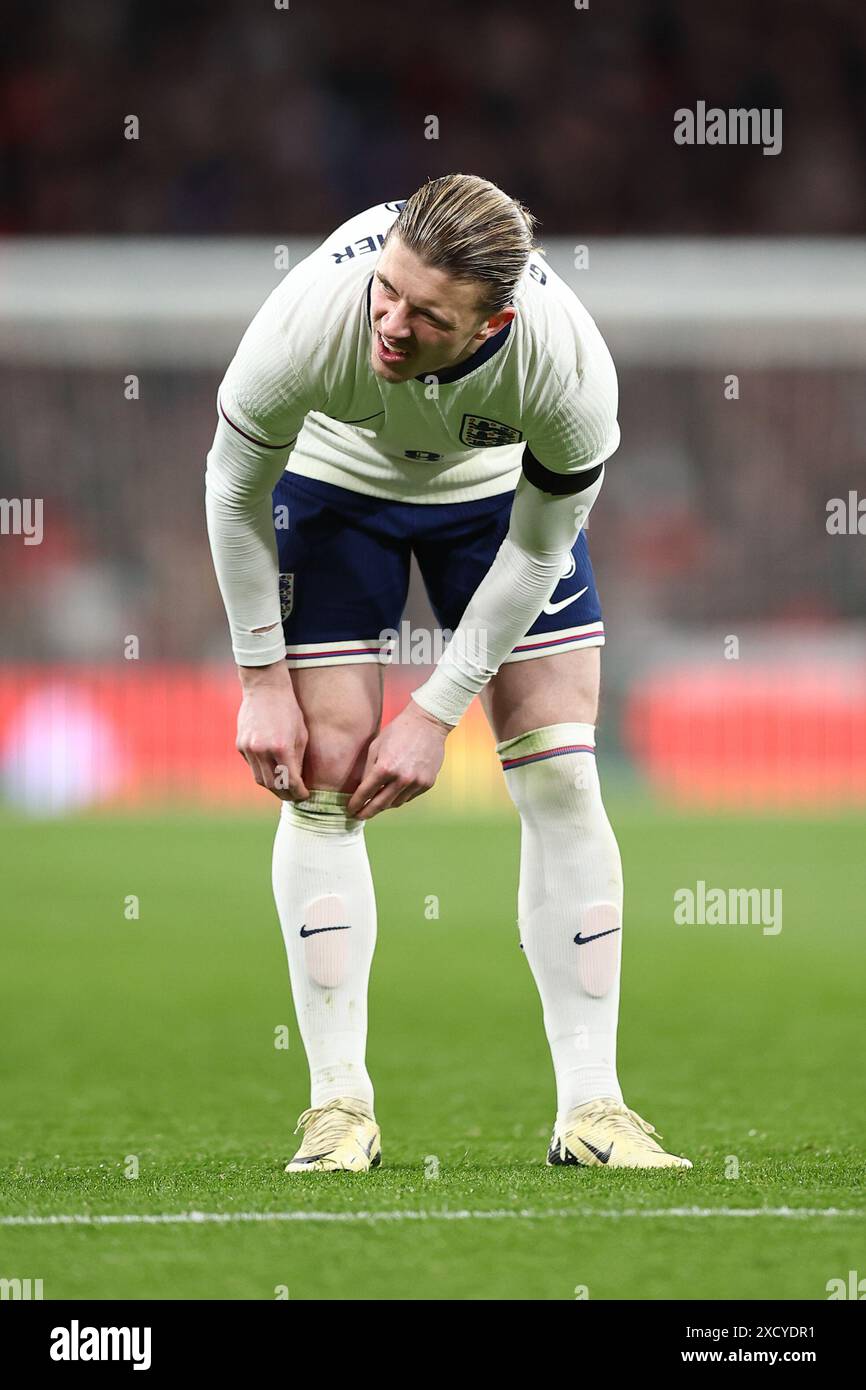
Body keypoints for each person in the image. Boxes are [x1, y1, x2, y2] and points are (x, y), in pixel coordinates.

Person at [205, 173, 691, 1172]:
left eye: (424, 315)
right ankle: (338, 1108)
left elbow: (535, 550)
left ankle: (592, 1109)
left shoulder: (567, 372)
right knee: (327, 775)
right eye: (387, 290)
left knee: (559, 771)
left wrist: (436, 710)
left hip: (494, 503)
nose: (389, 322)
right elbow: (231, 488)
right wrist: (259, 678)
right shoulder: (308, 321)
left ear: (492, 321)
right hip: (334, 481)